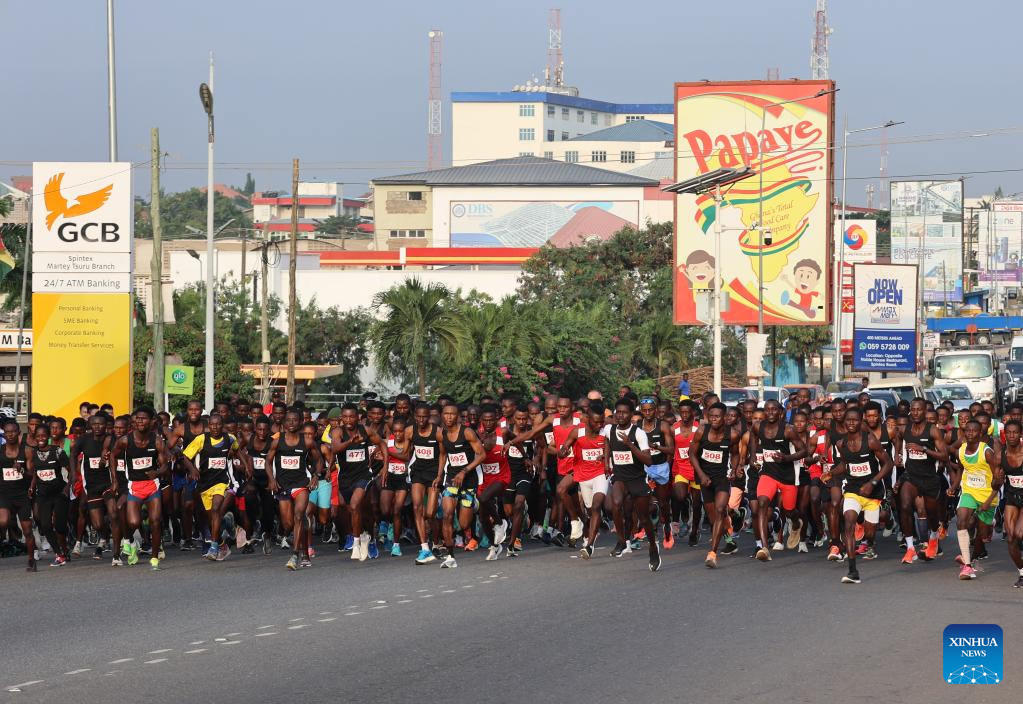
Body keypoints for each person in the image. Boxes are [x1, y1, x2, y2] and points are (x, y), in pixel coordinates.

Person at [826, 407, 893, 584]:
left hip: (873, 493)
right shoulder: (841, 444)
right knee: (848, 522)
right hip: (853, 491)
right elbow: (845, 465)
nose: (851, 423)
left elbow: (888, 464)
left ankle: (870, 543)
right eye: (848, 420)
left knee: (870, 534)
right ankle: (852, 570)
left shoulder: (870, 440)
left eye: (855, 420)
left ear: (861, 420)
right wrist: (832, 473)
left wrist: (872, 483)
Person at [108, 408, 170, 569]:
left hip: (152, 486)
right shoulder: (125, 440)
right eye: (138, 419)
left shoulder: (156, 441)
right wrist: (114, 480)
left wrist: (157, 472)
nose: (140, 421)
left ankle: (155, 558)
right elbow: (112, 456)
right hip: (134, 486)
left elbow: (165, 466)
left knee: (155, 521)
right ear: (134, 422)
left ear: (151, 422)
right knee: (134, 522)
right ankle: (133, 542)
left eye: (144, 419)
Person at [604, 398, 660, 571]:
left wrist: (629, 445)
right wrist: (607, 462)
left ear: (631, 414)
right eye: (618, 412)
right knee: (615, 503)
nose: (620, 415)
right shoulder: (609, 429)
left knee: (643, 518)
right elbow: (607, 443)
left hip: (637, 478)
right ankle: (622, 541)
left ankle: (653, 547)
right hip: (620, 476)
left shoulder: (638, 433)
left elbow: (649, 461)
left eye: (625, 412)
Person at [749, 399, 808, 561]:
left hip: (788, 476)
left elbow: (804, 451)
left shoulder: (788, 430)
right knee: (762, 503)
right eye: (767, 410)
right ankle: (764, 548)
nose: (770, 413)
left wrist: (787, 458)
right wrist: (753, 456)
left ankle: (796, 524)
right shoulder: (757, 426)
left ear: (780, 412)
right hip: (768, 473)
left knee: (789, 511)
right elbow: (753, 439)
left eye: (774, 410)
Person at [266, 409, 324, 570]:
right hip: (282, 486)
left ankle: (295, 554)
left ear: (300, 423)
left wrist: (316, 476)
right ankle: (303, 543)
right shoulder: (277, 441)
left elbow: (319, 461)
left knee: (299, 515)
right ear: (284, 423)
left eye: (295, 420)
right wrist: (271, 479)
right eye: (288, 420)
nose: (291, 423)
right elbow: (268, 462)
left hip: (301, 484)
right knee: (287, 524)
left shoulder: (307, 442)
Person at [180, 414, 241, 562]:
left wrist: (243, 464)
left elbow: (237, 449)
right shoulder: (201, 439)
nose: (215, 428)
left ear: (222, 425)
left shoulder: (230, 438)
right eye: (212, 425)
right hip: (204, 483)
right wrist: (193, 470)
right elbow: (185, 457)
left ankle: (213, 546)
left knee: (215, 510)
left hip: (221, 482)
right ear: (209, 426)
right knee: (211, 519)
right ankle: (225, 533)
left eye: (218, 425)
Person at [947, 420, 1001, 580]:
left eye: (974, 431)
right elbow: (962, 469)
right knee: (961, 520)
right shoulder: (961, 451)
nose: (970, 433)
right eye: (967, 431)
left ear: (980, 434)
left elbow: (998, 480)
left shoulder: (987, 452)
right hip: (969, 492)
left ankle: (973, 557)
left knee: (981, 535)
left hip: (987, 495)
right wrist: (954, 487)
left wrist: (988, 501)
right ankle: (968, 566)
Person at [690, 403, 741, 568]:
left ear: (725, 417)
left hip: (722, 478)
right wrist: (701, 474)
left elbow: (735, 454)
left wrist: (734, 468)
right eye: (711, 416)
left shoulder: (732, 435)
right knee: (713, 518)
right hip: (705, 478)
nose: (713, 419)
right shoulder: (701, 431)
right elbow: (692, 454)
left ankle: (712, 554)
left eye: (717, 416)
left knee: (719, 511)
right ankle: (729, 540)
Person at [898, 398, 948, 564]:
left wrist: (924, 449)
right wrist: (899, 456)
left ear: (925, 411)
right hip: (911, 476)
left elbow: (944, 456)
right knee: (904, 506)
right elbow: (899, 443)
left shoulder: (933, 430)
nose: (916, 412)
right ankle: (911, 548)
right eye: (913, 409)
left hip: (929, 478)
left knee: (931, 514)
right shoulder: (906, 430)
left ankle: (934, 536)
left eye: (919, 409)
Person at [438, 403, 485, 568]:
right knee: (447, 515)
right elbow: (443, 454)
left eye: (452, 414)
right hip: (451, 479)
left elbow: (482, 454)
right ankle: (450, 556)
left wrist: (464, 471)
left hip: (469, 480)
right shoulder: (441, 433)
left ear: (458, 416)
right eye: (446, 414)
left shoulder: (467, 432)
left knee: (464, 524)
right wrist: (439, 476)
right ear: (442, 415)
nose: (449, 417)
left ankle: (475, 505)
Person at [72, 414, 123, 565]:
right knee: (98, 524)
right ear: (90, 426)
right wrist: (74, 473)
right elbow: (73, 454)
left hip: (108, 483)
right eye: (94, 424)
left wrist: (115, 479)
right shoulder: (84, 440)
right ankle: (105, 536)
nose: (98, 427)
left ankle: (116, 554)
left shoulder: (111, 439)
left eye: (101, 424)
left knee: (113, 514)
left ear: (105, 425)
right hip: (92, 485)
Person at [559, 408, 608, 558]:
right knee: (590, 510)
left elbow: (611, 451)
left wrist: (605, 457)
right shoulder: (577, 432)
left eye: (601, 422)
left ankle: (589, 546)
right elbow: (563, 450)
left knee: (596, 505)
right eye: (596, 422)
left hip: (600, 474)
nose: (599, 425)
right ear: (588, 420)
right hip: (583, 475)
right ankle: (593, 523)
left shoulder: (605, 433)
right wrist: (564, 451)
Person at [404, 404, 446, 565]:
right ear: (414, 416)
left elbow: (443, 454)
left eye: (424, 417)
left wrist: (440, 475)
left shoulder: (438, 432)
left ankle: (436, 542)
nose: (421, 420)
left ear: (429, 416)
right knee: (417, 507)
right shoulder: (409, 431)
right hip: (418, 472)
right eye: (418, 417)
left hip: (434, 473)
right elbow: (406, 453)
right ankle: (424, 548)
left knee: (430, 513)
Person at [29, 424, 71, 566]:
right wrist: (31, 487)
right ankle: (59, 554)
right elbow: (34, 473)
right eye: (38, 436)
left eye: (44, 436)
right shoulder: (33, 453)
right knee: (46, 525)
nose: (41, 439)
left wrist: (67, 488)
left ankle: (66, 546)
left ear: (48, 437)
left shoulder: (57, 451)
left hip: (59, 493)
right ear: (35, 438)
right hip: (43, 495)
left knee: (59, 526)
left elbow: (71, 471)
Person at [0, 420, 36, 571]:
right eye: (7, 432)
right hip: (4, 493)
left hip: (22, 494)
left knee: (28, 531)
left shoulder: (26, 450)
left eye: (13, 432)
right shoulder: (0, 450)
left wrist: (21, 470)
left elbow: (32, 474)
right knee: (3, 521)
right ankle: (10, 536)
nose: (10, 435)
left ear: (18, 433)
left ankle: (31, 559)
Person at [639, 397, 674, 548]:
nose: (647, 412)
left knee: (663, 502)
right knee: (644, 501)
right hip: (644, 468)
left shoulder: (663, 426)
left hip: (660, 467)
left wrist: (656, 447)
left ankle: (667, 527)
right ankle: (646, 529)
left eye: (650, 410)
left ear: (656, 410)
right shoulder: (636, 427)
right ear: (641, 410)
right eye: (644, 410)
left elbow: (672, 449)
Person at [378, 415, 410, 557]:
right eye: (395, 431)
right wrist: (380, 456)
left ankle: (396, 545)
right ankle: (392, 524)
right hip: (390, 478)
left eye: (400, 431)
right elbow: (378, 450)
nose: (397, 434)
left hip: (403, 479)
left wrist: (388, 454)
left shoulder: (409, 442)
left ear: (406, 431)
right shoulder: (388, 441)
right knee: (385, 510)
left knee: (397, 510)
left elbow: (406, 457)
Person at [999, 419, 1023, 588]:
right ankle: (1022, 572)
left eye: (1015, 432)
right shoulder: (1000, 455)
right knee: (1011, 537)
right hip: (1012, 496)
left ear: (1020, 434)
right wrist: (997, 480)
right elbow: (995, 484)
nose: (1012, 435)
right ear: (1004, 434)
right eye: (1009, 433)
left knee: (1020, 534)